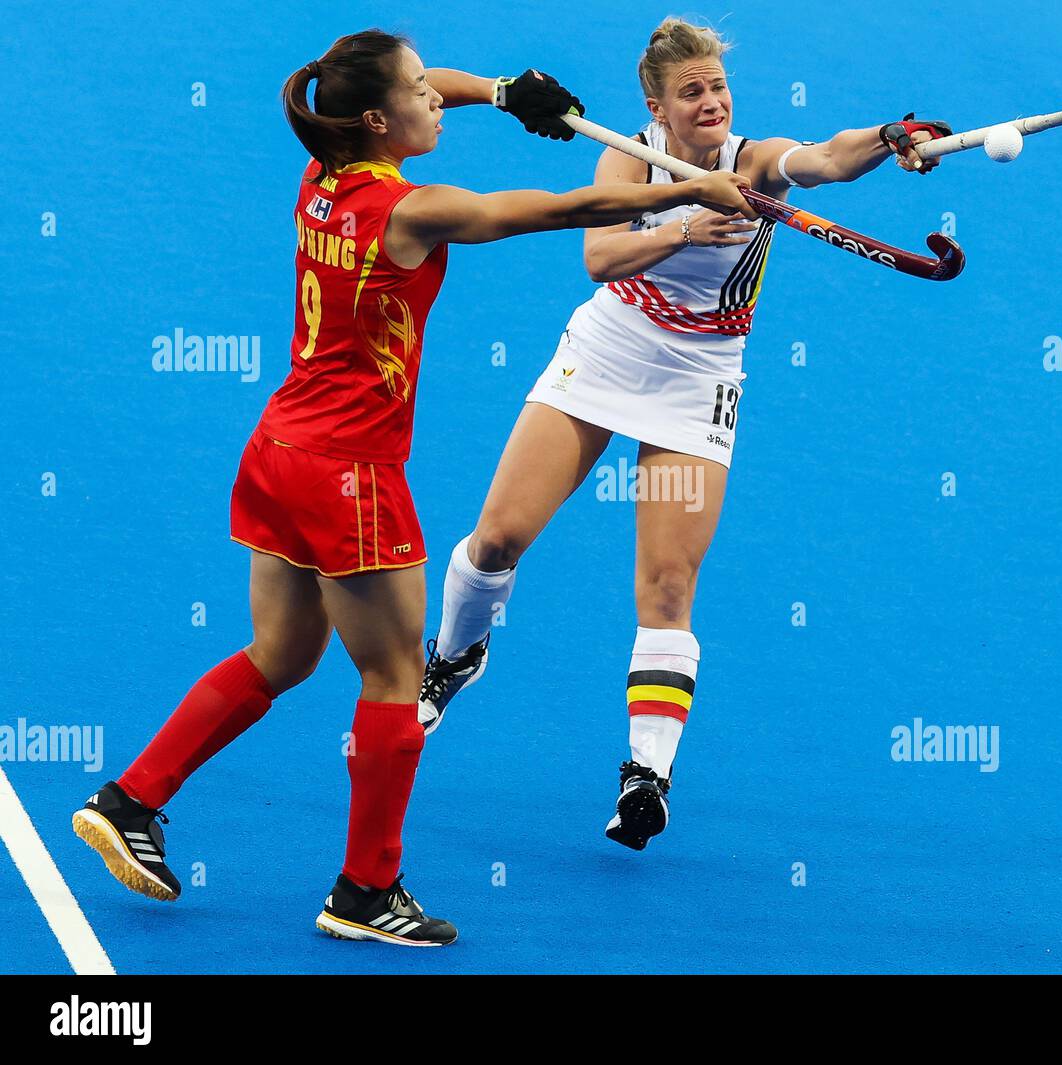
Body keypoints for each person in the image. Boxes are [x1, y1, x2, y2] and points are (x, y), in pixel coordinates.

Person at [71, 27, 755, 946]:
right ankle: (366, 890)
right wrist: (689, 190)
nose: (437, 98)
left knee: (280, 655)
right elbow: (552, 213)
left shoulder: (323, 179)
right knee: (395, 678)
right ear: (376, 118)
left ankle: (130, 797)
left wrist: (506, 92)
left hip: (276, 449)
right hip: (348, 475)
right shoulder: (412, 210)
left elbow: (433, 89)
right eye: (421, 94)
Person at [419, 17, 949, 850]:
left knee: (667, 584)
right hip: (605, 354)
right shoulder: (630, 157)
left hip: (698, 381)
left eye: (719, 88)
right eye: (692, 92)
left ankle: (645, 776)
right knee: (496, 541)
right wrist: (682, 228)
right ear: (656, 106)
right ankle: (452, 657)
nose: (712, 103)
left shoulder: (753, 160)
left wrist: (891, 137)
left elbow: (827, 158)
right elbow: (597, 258)